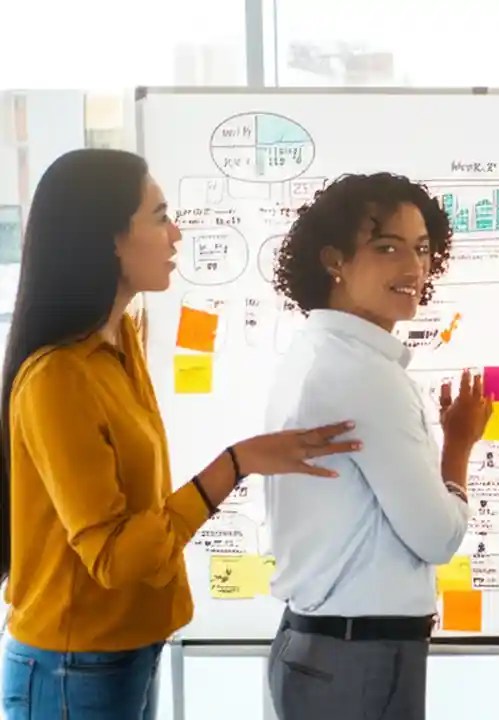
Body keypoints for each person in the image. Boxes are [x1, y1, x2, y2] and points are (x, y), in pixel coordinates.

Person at [0, 148, 359, 719]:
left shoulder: (124, 342)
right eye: (160, 216)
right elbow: (113, 557)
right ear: (110, 239)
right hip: (75, 664)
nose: (177, 234)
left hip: (129, 650)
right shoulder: (58, 378)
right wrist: (236, 464)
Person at [264, 172, 492, 720]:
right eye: (387, 248)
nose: (412, 269)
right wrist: (458, 445)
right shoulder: (365, 375)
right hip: (357, 660)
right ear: (334, 260)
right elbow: (438, 537)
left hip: (321, 648)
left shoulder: (317, 351)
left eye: (421, 250)